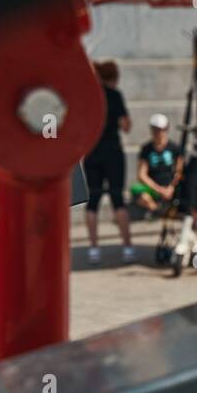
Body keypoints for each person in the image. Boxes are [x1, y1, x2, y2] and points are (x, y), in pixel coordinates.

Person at [83, 60, 134, 265]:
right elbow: (125, 125)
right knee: (117, 199)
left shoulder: (89, 97)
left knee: (93, 200)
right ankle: (127, 247)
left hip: (92, 153)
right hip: (113, 152)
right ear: (112, 78)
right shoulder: (115, 95)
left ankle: (94, 248)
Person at [131, 113, 183, 220]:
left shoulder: (174, 148)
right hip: (153, 187)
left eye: (161, 129)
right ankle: (157, 210)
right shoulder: (146, 149)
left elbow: (179, 170)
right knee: (136, 190)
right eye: (155, 129)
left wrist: (171, 187)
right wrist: (159, 189)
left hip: (171, 186)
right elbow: (141, 174)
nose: (158, 133)